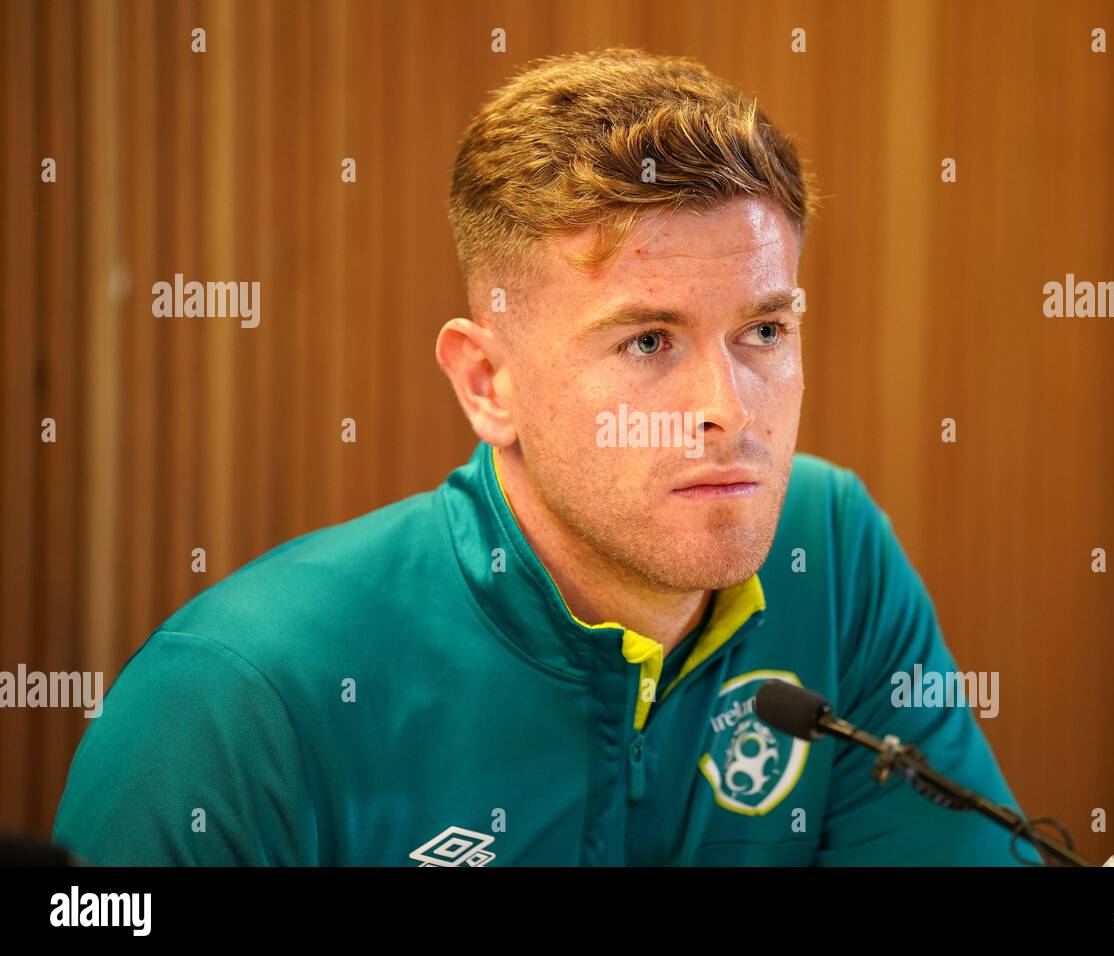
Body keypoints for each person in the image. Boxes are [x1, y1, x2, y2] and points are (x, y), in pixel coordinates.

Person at [53, 47, 1028, 866]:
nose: (728, 413)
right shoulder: (231, 699)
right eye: (647, 342)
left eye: (763, 332)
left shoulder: (832, 550)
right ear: (487, 382)